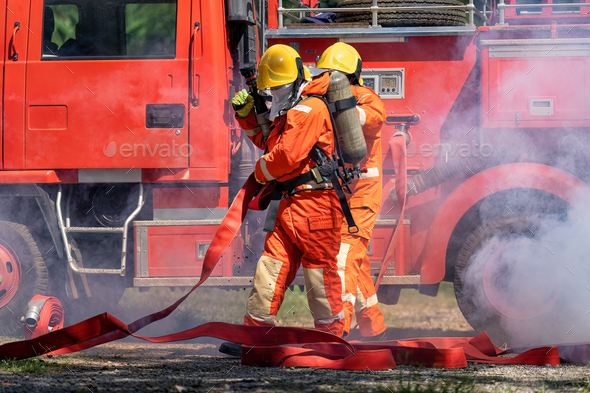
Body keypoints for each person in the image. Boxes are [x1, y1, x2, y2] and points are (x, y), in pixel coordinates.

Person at [231, 45, 346, 338]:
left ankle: (331, 337)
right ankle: (256, 333)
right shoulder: (293, 109)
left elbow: (285, 158)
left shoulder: (309, 108)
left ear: (295, 81)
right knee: (271, 266)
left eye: (278, 89)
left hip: (316, 204)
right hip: (292, 203)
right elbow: (271, 145)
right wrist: (247, 117)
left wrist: (258, 173)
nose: (274, 97)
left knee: (320, 274)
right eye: (271, 91)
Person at [316, 42, 387, 341]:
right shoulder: (320, 99)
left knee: (343, 257)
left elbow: (375, 118)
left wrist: (343, 105)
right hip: (340, 194)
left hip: (362, 195)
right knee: (356, 262)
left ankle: (337, 330)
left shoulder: (366, 98)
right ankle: (374, 329)